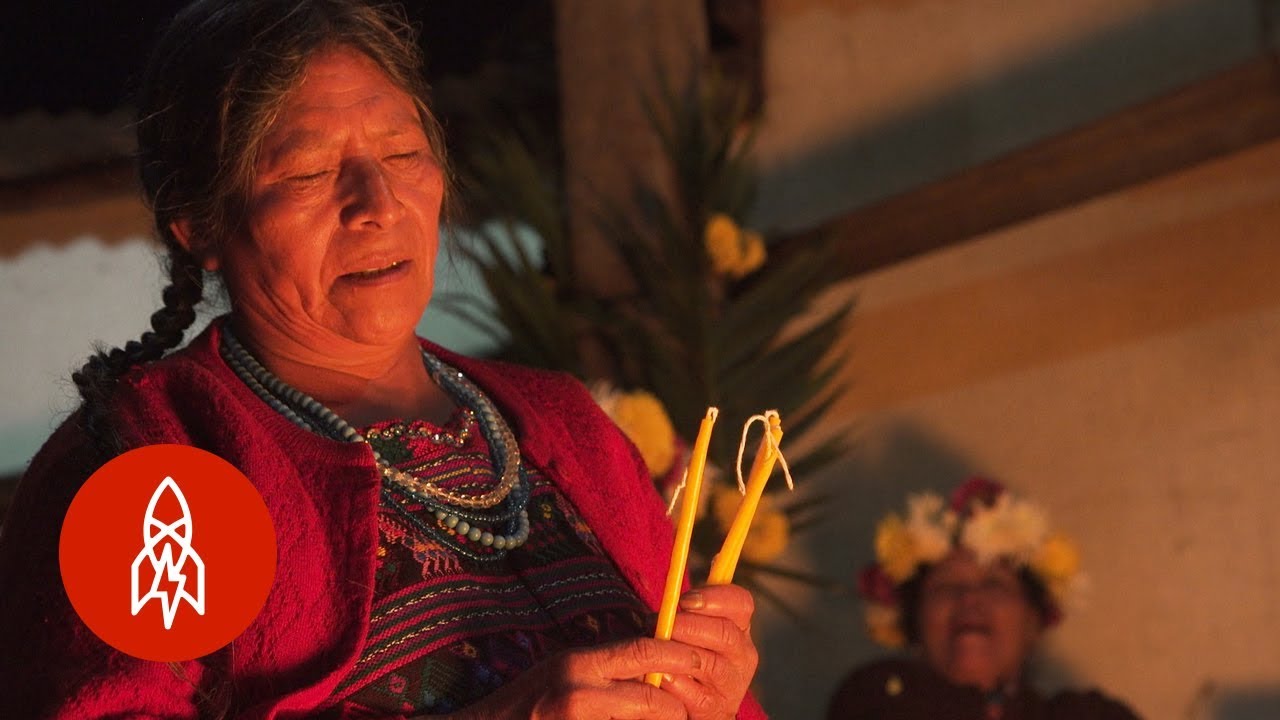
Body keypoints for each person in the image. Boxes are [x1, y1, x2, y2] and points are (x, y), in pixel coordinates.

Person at [0, 1, 764, 718]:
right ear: (199, 225)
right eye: (307, 173)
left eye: (402, 152)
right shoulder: (150, 467)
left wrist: (710, 695)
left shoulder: (569, 427)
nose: (379, 204)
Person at [827, 477, 1140, 720]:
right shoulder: (874, 700)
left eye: (994, 585)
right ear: (915, 623)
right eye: (946, 588)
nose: (969, 598)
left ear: (1033, 623)